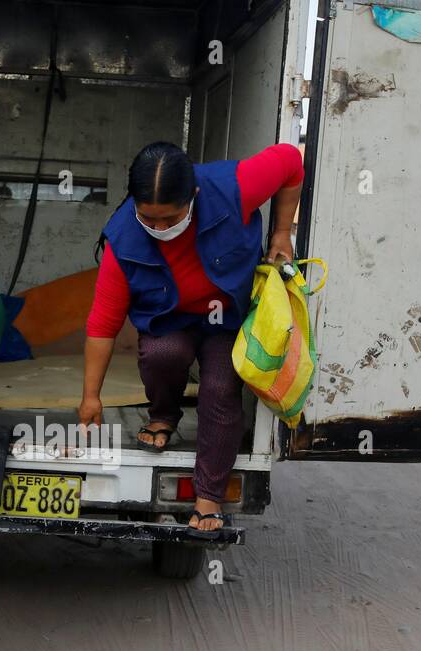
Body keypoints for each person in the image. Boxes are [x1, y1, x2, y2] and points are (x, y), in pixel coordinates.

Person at [78, 141, 304, 538]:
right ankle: (163, 414)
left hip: (226, 318)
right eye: (149, 219)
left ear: (194, 196)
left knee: (219, 389)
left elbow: (290, 161)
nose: (160, 229)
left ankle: (208, 497)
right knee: (165, 353)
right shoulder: (122, 240)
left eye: (171, 218)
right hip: (172, 319)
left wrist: (282, 233)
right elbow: (102, 325)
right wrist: (90, 396)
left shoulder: (234, 188)